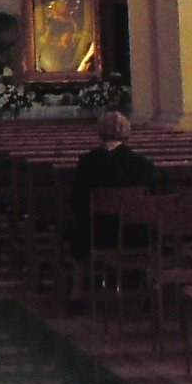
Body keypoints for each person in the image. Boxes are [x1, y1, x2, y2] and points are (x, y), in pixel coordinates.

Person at [65, 111, 154, 306]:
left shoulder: (88, 163)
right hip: (135, 234)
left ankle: (77, 292)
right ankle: (148, 290)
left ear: (100, 133)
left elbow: (77, 200)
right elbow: (151, 201)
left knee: (79, 226)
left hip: (97, 234)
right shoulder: (143, 164)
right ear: (127, 133)